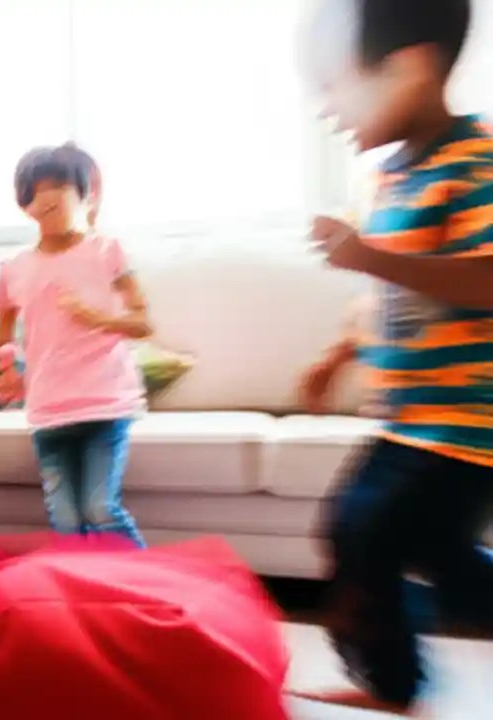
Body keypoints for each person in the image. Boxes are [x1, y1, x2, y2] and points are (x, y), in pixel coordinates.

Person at [296, 0, 493, 712]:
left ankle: (390, 683)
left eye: (336, 84)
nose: (328, 109)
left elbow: (486, 276)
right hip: (410, 421)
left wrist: (368, 255)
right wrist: (342, 350)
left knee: (365, 530)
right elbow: (395, 301)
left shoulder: (476, 160)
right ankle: (389, 680)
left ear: (408, 69)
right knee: (428, 553)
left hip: (466, 428)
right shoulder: (392, 178)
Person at [0, 144, 150, 547]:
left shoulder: (106, 250)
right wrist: (6, 370)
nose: (47, 199)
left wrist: (98, 318)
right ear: (24, 205)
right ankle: (89, 599)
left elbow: (143, 322)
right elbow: (3, 338)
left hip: (104, 404)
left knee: (100, 509)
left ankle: (150, 588)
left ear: (83, 194)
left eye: (59, 189)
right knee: (65, 520)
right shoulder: (13, 269)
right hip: (48, 411)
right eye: (35, 194)